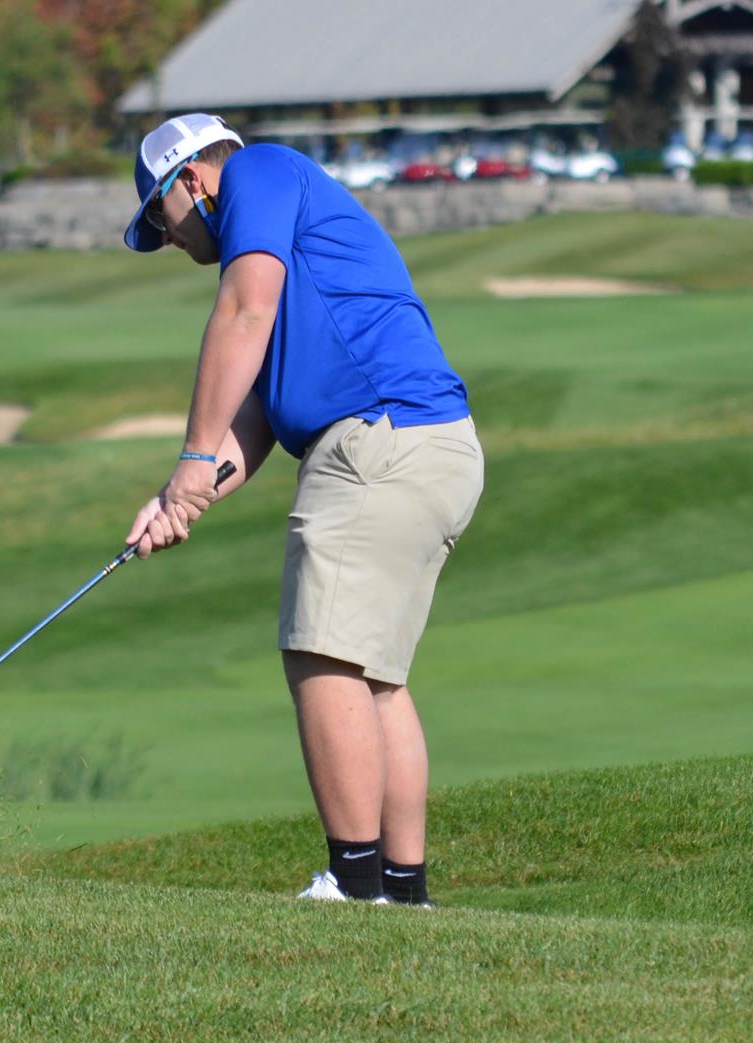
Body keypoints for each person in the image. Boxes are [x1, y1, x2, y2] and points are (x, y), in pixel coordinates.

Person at [121, 114, 484, 908]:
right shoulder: (284, 230)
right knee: (373, 677)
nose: (167, 239)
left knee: (320, 656)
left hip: (376, 439)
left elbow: (244, 314)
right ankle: (401, 892)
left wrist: (187, 462)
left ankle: (354, 890)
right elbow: (254, 421)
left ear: (192, 180)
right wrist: (180, 501)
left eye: (159, 217)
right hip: (427, 444)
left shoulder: (262, 174)